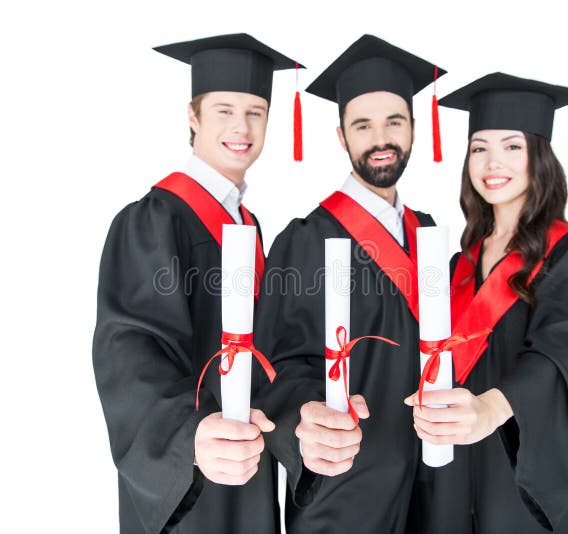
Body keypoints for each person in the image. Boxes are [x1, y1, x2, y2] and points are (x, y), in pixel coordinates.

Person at [92, 34, 301, 534]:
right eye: (224, 110)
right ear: (193, 116)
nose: (241, 127)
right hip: (191, 471)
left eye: (255, 112)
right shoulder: (154, 219)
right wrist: (190, 434)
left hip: (247, 462)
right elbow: (130, 350)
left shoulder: (247, 225)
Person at [405, 72, 568, 533]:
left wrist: (492, 408)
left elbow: (564, 353)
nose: (493, 162)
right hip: (453, 480)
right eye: (479, 147)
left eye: (512, 146)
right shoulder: (453, 267)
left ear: (539, 157)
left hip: (528, 489)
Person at [254, 35, 445, 534]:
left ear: (414, 130)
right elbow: (276, 368)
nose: (380, 138)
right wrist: (306, 425)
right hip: (343, 495)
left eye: (394, 122)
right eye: (363, 125)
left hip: (431, 489)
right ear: (341, 136)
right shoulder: (305, 240)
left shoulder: (428, 234)